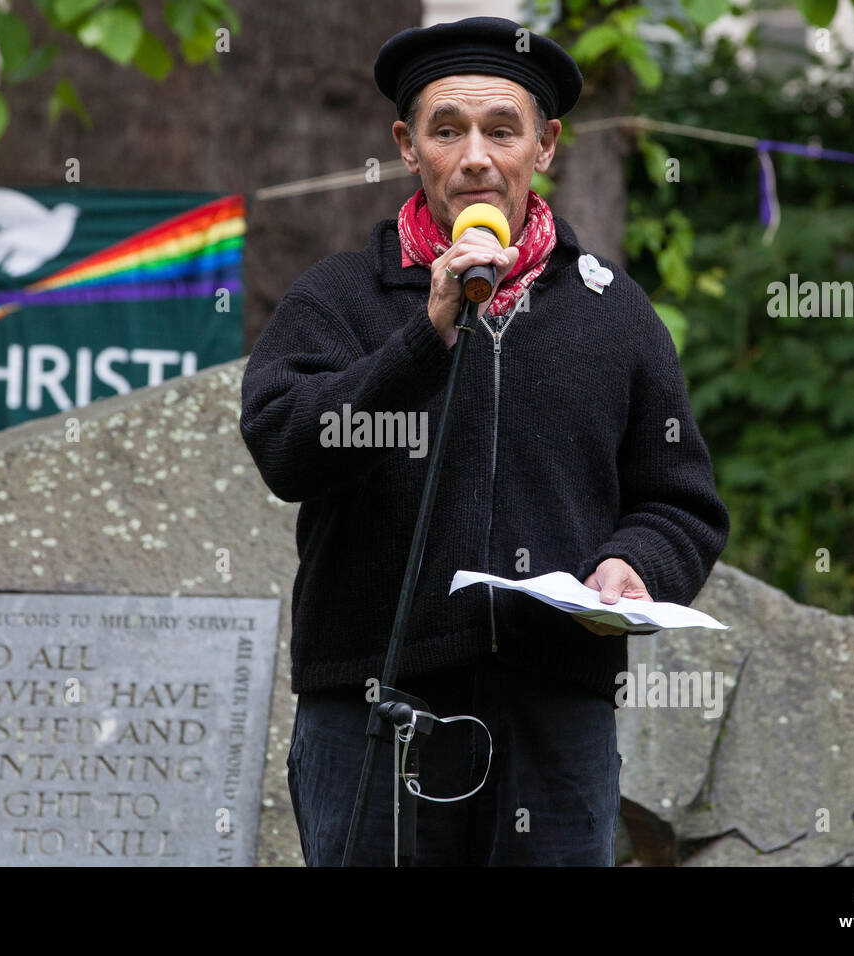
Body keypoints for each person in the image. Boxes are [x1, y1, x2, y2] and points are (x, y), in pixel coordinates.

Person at [239, 15, 729, 866]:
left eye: (503, 130)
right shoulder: (337, 298)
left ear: (545, 146)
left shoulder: (614, 313)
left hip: (556, 719)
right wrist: (423, 338)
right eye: (447, 129)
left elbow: (679, 500)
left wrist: (638, 563)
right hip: (375, 718)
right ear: (406, 145)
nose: (475, 156)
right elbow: (285, 447)